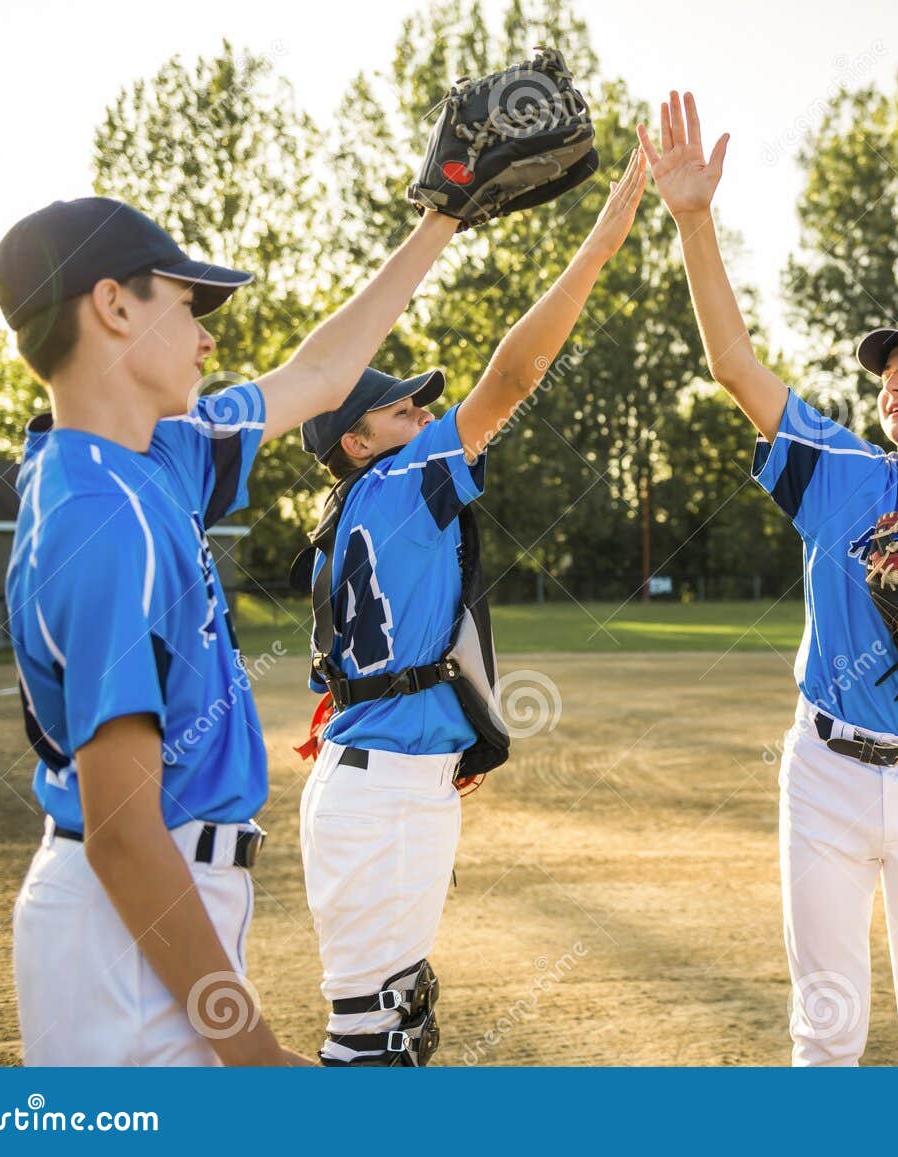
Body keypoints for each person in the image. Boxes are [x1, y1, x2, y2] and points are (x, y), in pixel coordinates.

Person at [0, 194, 459, 1065]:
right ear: (113, 304)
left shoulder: (156, 455)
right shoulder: (100, 515)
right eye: (187, 305)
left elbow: (321, 375)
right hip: (126, 928)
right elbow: (124, 828)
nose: (208, 337)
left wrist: (443, 217)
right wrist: (253, 1055)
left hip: (157, 912)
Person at [638, 93, 898, 1066]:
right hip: (823, 772)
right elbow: (733, 363)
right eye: (889, 368)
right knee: (825, 1025)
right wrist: (694, 218)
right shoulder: (844, 474)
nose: (895, 380)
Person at [294, 154, 648, 1066]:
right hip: (377, 796)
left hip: (394, 783)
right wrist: (602, 241)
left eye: (419, 409)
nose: (422, 415)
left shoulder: (360, 506)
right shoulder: (398, 483)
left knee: (398, 1030)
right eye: (400, 409)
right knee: (372, 1045)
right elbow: (516, 374)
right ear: (354, 439)